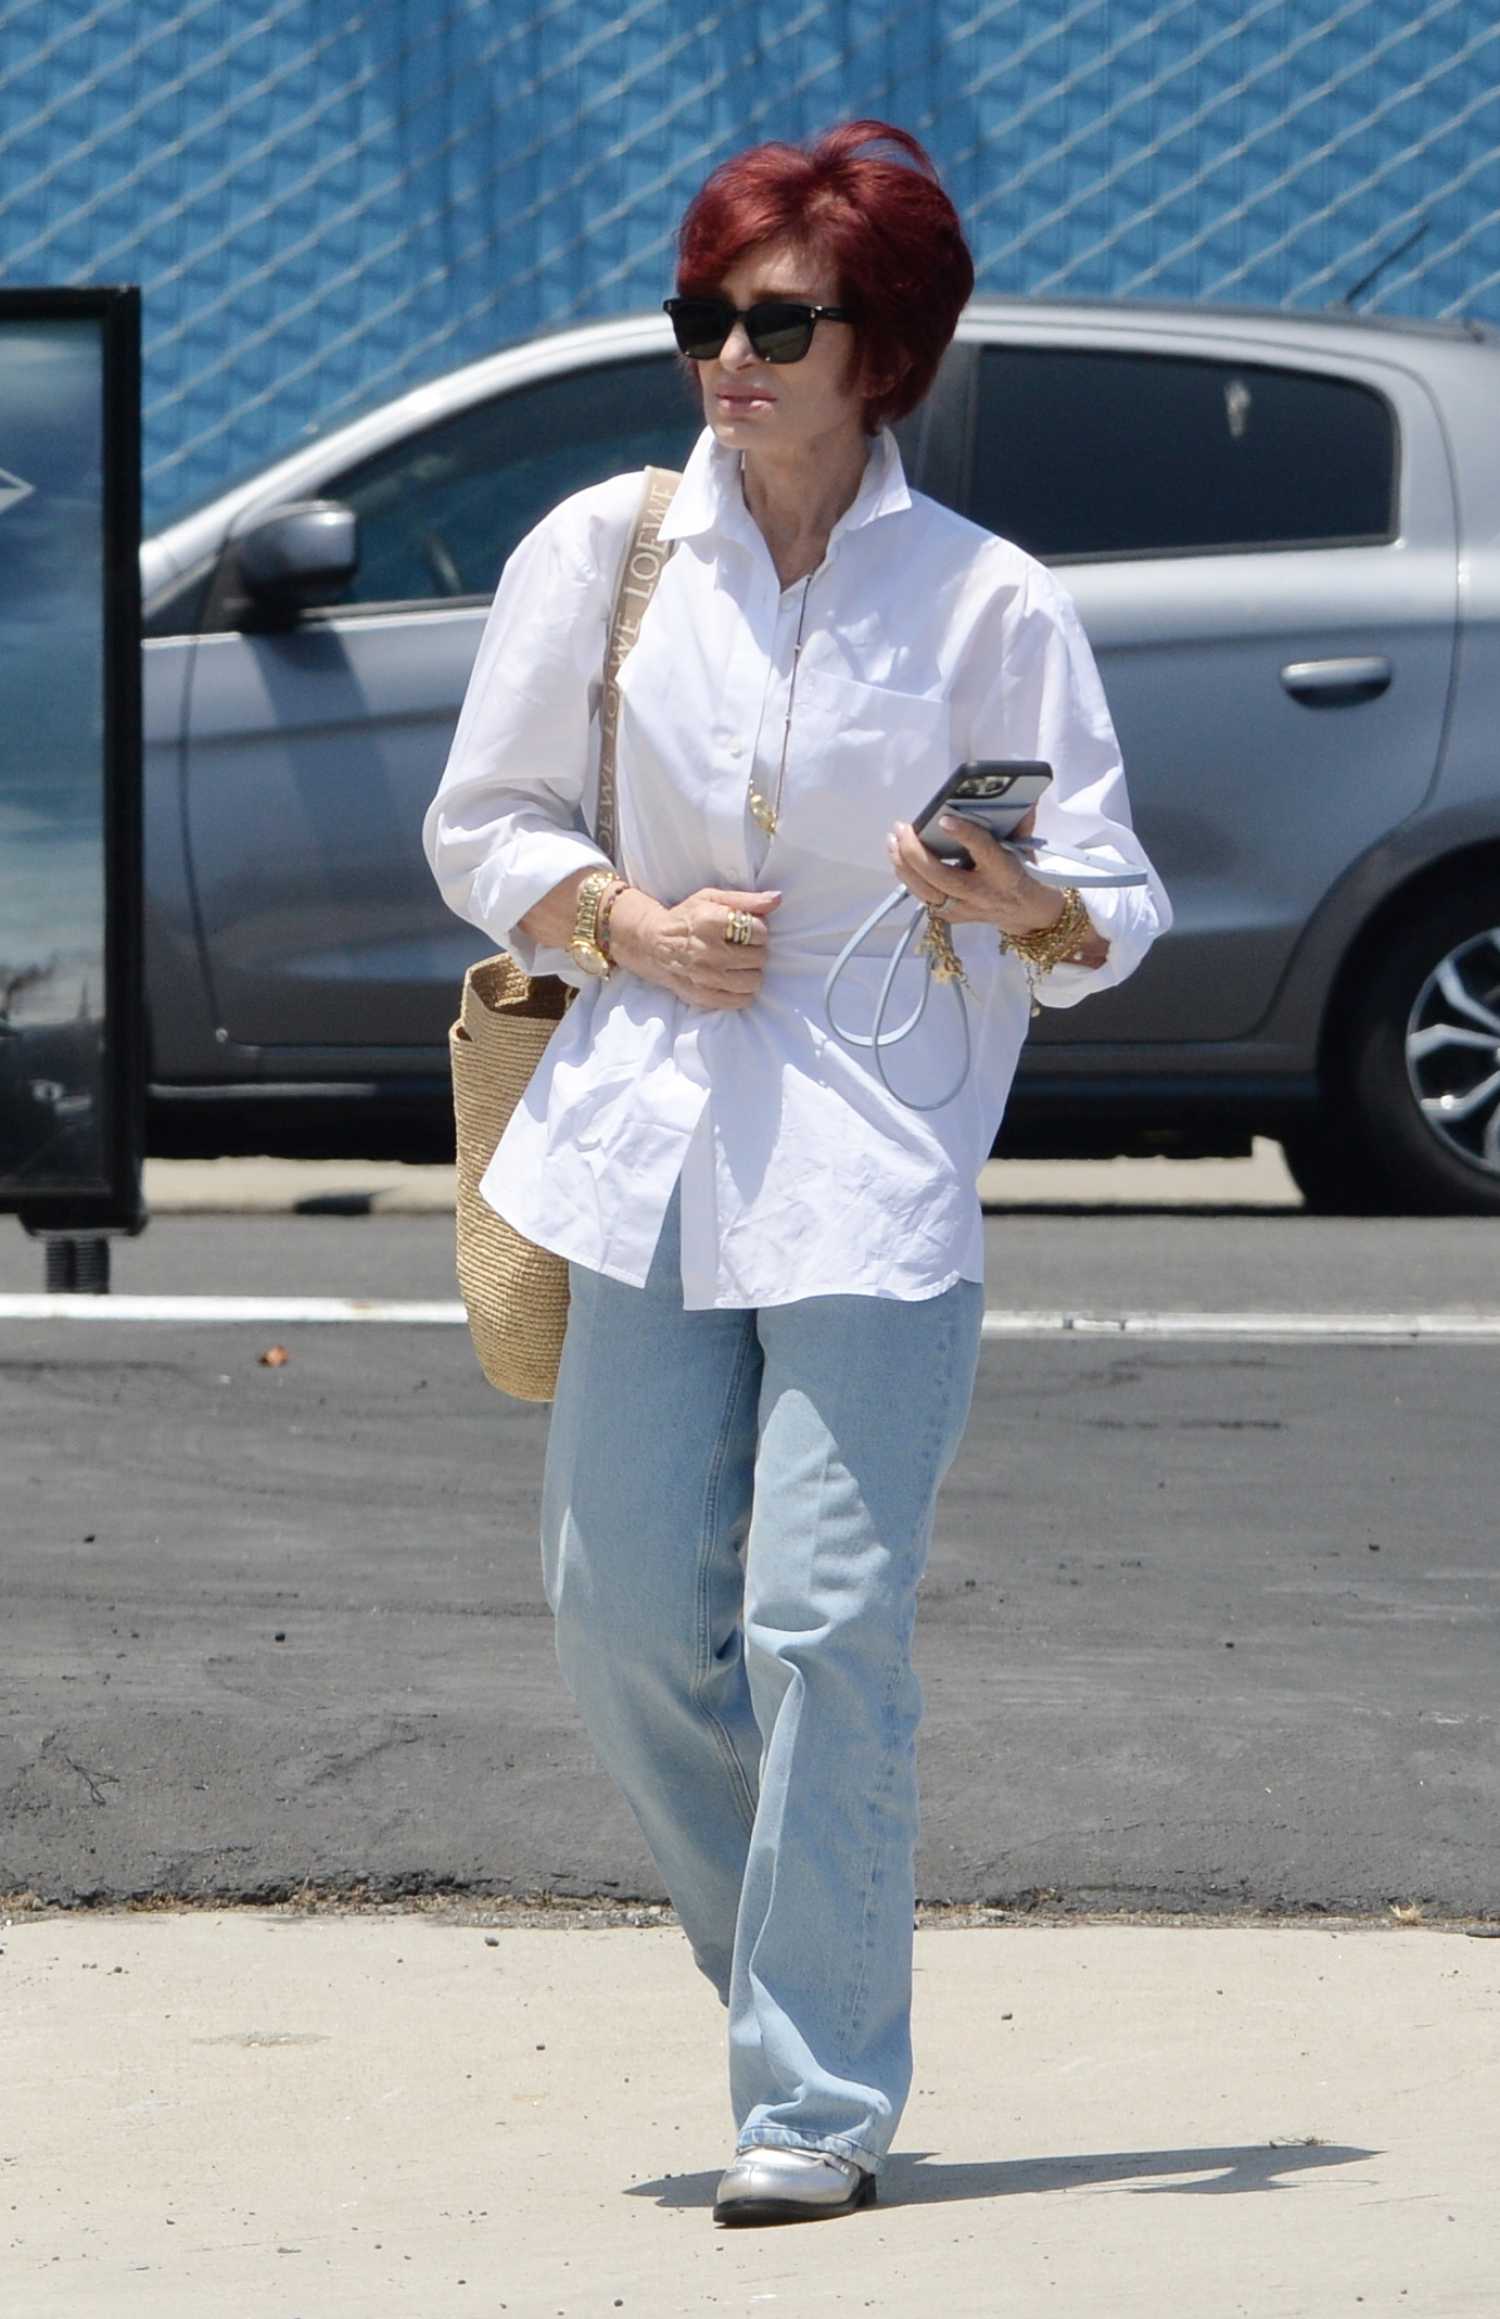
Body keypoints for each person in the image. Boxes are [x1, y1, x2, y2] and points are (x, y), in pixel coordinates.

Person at [423, 119, 1170, 2227]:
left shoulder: (987, 597)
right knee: (619, 1620)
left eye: (776, 323)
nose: (727, 360)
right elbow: (482, 820)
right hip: (652, 1138)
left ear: (883, 346)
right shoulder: (608, 550)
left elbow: (1112, 899)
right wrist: (619, 919)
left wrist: (1025, 902)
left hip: (882, 1152)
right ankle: (795, 1966)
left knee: (823, 1619)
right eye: (704, 317)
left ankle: (816, 2091)